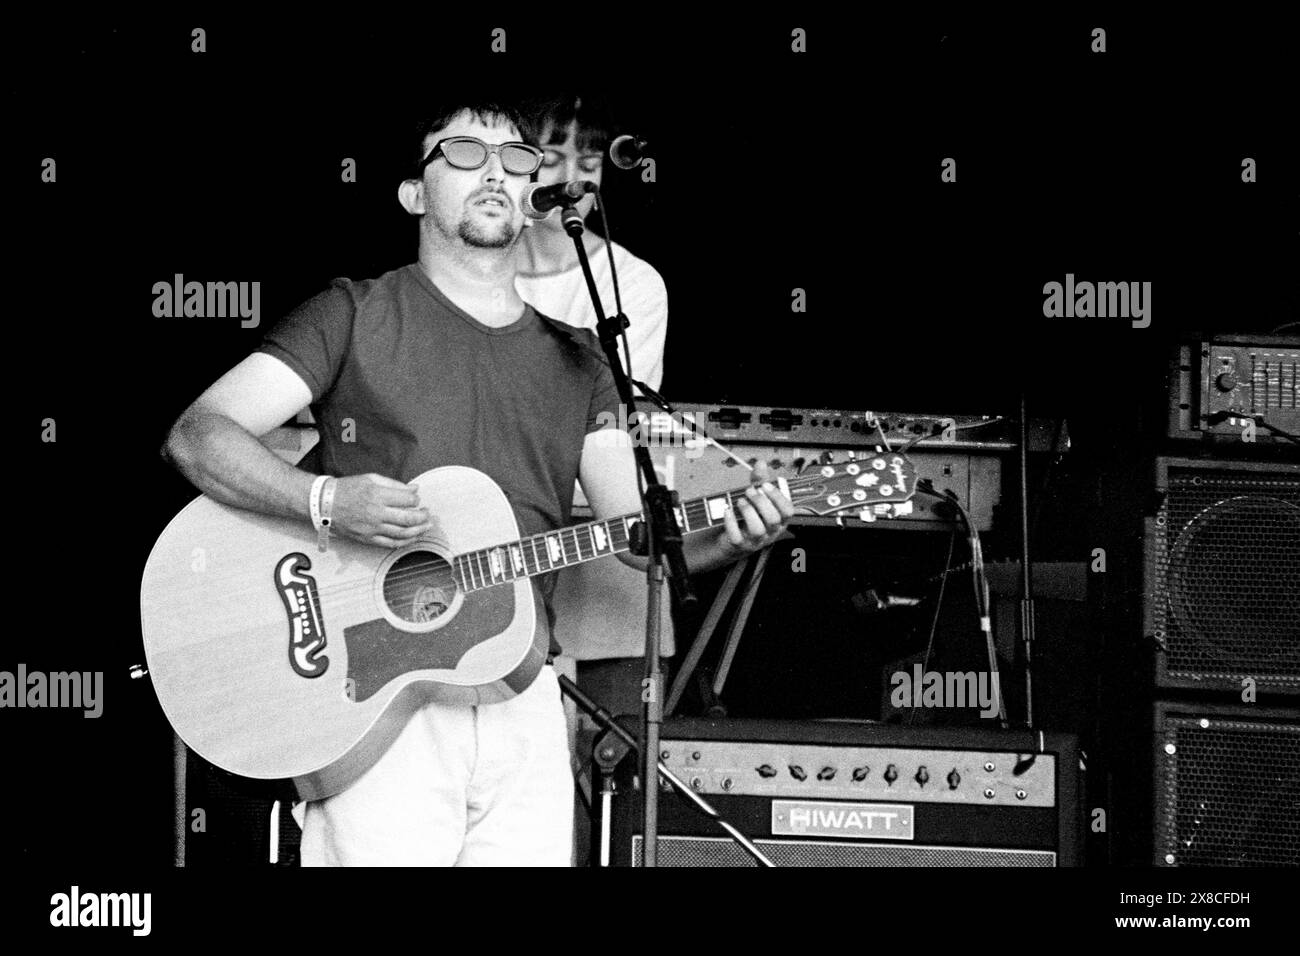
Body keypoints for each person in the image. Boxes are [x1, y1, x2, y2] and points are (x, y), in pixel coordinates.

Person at [160, 98, 793, 866]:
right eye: (462, 154)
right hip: (378, 697)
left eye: (515, 159)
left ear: (532, 201)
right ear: (414, 194)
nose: (494, 170)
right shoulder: (353, 314)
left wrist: (731, 539)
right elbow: (198, 436)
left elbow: (638, 541)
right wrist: (327, 501)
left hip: (523, 687)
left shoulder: (581, 357)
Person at [514, 95, 672, 861]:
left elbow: (611, 437)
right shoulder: (467, 264)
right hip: (487, 542)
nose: (569, 173)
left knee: (604, 773)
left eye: (589, 157)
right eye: (550, 152)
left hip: (592, 545)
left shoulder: (631, 285)